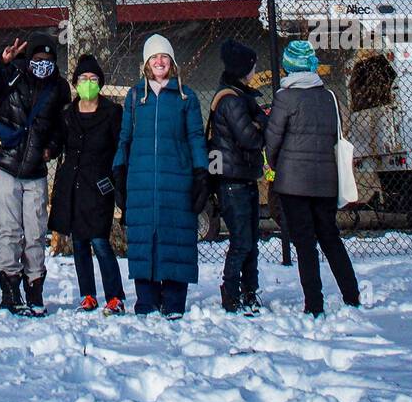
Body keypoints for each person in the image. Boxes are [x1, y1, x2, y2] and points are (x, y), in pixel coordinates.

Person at [0, 28, 71, 316]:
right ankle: (10, 291)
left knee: (36, 232)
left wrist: (51, 148)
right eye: (37, 59)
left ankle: (35, 289)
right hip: (6, 165)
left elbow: (60, 126)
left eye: (48, 61)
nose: (42, 65)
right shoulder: (11, 76)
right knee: (10, 231)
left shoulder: (57, 88)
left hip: (35, 170)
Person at [112, 33, 209, 319]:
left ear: (172, 62)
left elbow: (195, 136)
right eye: (154, 57)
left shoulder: (185, 96)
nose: (159, 61)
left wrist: (201, 172)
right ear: (145, 63)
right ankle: (147, 300)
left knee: (176, 237)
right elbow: (125, 138)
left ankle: (174, 300)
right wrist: (119, 171)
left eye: (164, 56)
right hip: (141, 181)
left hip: (176, 179)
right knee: (144, 239)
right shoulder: (133, 97)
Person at [265, 39, 361, 317]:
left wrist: (274, 166)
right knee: (330, 236)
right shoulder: (328, 97)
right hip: (326, 180)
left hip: (293, 182)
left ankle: (314, 303)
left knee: (305, 243)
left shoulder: (285, 98)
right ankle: (351, 295)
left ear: (288, 67)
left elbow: (272, 140)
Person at [48, 54, 126, 315]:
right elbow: (57, 143)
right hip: (73, 187)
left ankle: (115, 296)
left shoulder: (113, 113)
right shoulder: (67, 114)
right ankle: (88, 295)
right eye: (83, 78)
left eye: (93, 78)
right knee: (79, 242)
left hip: (100, 187)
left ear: (100, 83)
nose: (88, 83)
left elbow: (119, 149)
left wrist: (115, 181)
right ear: (76, 83)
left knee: (100, 242)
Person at [209, 38, 266, 315]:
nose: (255, 71)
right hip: (233, 179)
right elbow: (250, 138)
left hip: (241, 176)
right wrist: (260, 125)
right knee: (242, 239)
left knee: (250, 239)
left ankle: (249, 289)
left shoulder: (235, 96)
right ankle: (231, 289)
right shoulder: (232, 100)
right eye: (253, 66)